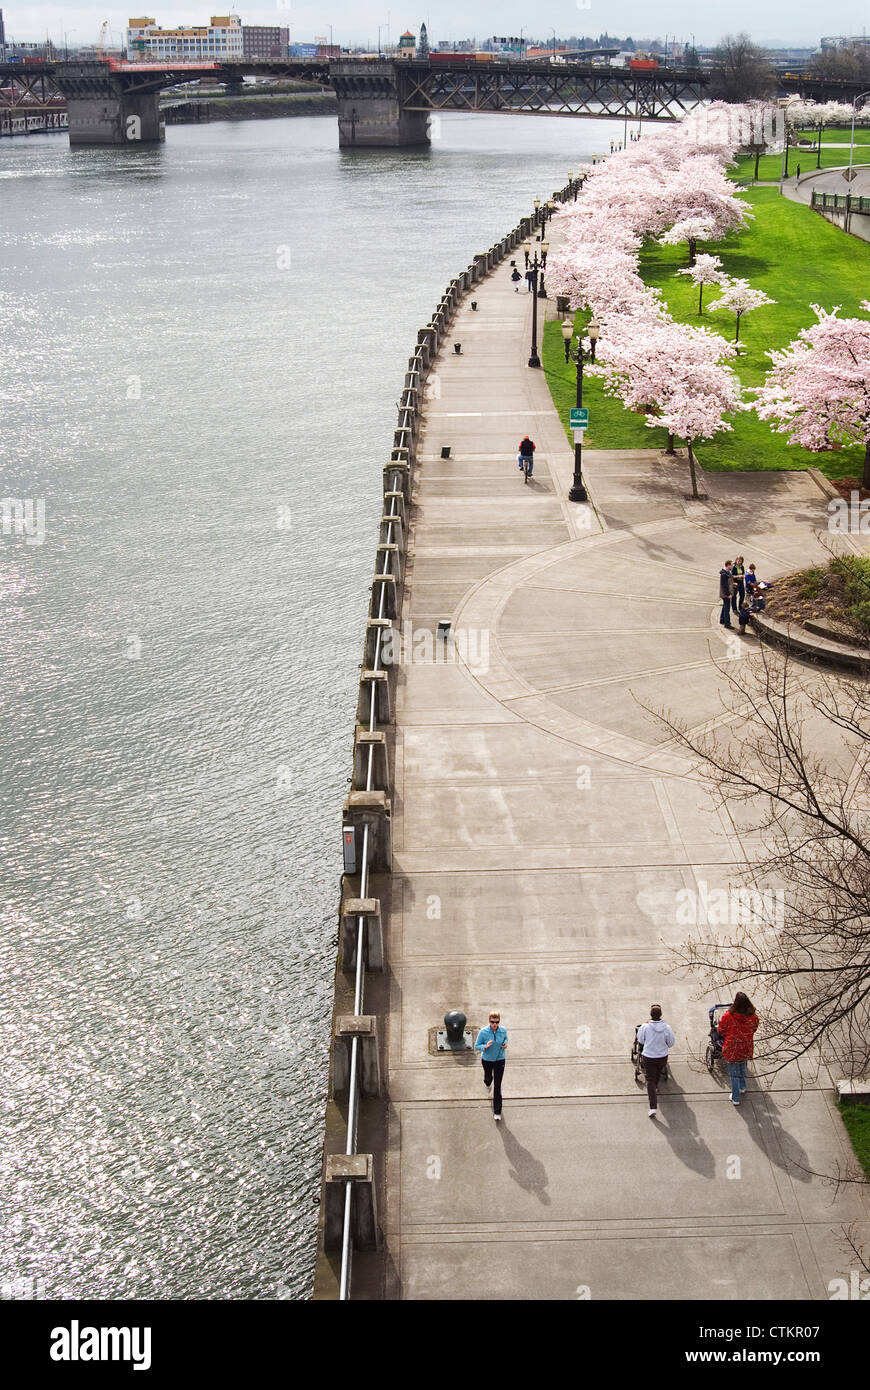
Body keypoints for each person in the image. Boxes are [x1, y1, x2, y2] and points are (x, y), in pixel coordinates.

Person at [716, 992, 759, 1105]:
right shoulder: (753, 1016)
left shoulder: (728, 1016)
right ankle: (742, 1087)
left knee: (734, 1073)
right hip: (746, 1046)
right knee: (743, 1066)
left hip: (732, 1048)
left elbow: (721, 1030)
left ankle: (735, 1097)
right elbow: (754, 1028)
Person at [636, 1004, 675, 1117]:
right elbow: (671, 1042)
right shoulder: (667, 1028)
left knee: (649, 1079)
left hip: (649, 1056)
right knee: (657, 1075)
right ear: (661, 1015)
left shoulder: (645, 1027)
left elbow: (640, 1040)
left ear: (650, 1015)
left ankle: (653, 1107)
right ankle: (656, 1087)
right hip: (662, 1056)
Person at [474, 1010, 508, 1120]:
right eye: (493, 1022)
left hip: (500, 1060)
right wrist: (485, 1046)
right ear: (489, 1021)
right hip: (487, 1060)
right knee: (488, 1078)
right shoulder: (483, 1032)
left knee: (498, 1085)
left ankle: (497, 1112)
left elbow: (505, 1038)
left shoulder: (503, 1030)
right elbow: (476, 1046)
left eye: (497, 1022)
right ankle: (488, 1084)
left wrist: (505, 1043)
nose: (495, 1024)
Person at [719, 561, 734, 629]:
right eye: (731, 565)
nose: (732, 566)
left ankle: (722, 620)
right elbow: (724, 585)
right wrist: (728, 594)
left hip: (726, 593)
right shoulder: (724, 574)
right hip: (725, 594)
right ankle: (727, 624)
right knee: (727, 609)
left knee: (725, 606)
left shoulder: (727, 573)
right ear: (728, 565)